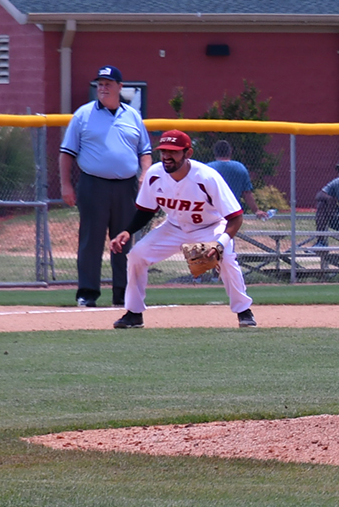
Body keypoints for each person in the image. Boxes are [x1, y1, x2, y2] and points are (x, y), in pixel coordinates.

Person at [107, 130, 255, 329]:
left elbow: (235, 218)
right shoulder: (155, 174)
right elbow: (145, 210)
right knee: (136, 255)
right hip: (174, 227)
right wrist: (127, 231)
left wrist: (220, 244)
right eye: (164, 151)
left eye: (174, 152)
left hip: (208, 227)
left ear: (188, 153)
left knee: (226, 257)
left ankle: (243, 311)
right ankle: (134, 313)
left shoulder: (207, 177)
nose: (167, 156)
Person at [59, 65, 152, 307]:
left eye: (108, 83)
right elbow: (67, 153)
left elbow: (145, 151)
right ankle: (87, 292)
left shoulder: (132, 115)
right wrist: (66, 184)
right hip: (93, 184)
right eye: (100, 83)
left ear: (120, 88)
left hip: (126, 187)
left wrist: (145, 175)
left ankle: (122, 293)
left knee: (123, 240)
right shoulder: (83, 114)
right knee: (91, 239)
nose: (102, 87)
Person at [206, 140, 264, 217]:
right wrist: (256, 210)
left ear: (215, 152)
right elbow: (247, 193)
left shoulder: (207, 168)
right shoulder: (240, 168)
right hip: (232, 210)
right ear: (230, 152)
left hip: (211, 210)